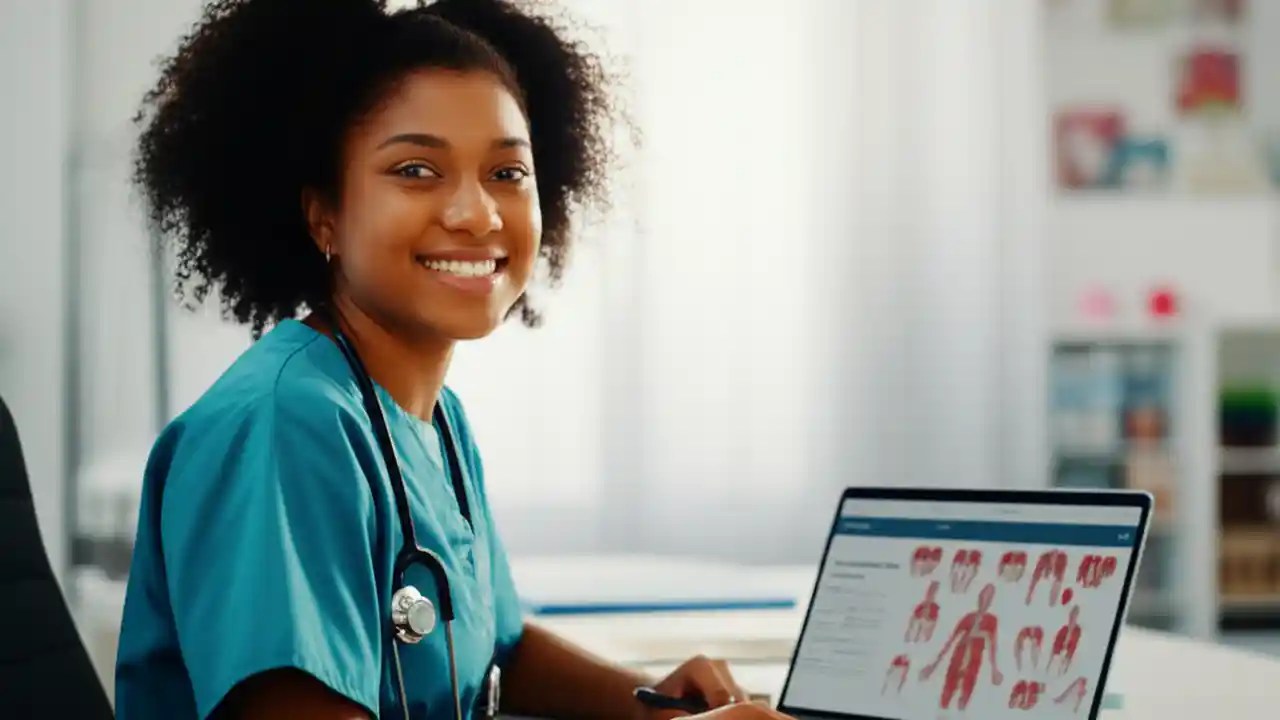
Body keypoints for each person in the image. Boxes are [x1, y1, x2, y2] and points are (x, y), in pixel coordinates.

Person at [113, 1, 793, 718]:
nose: (478, 214)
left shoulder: (435, 421)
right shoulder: (283, 426)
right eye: (416, 169)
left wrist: (659, 709)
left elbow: (498, 649)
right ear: (324, 216)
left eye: (507, 172)